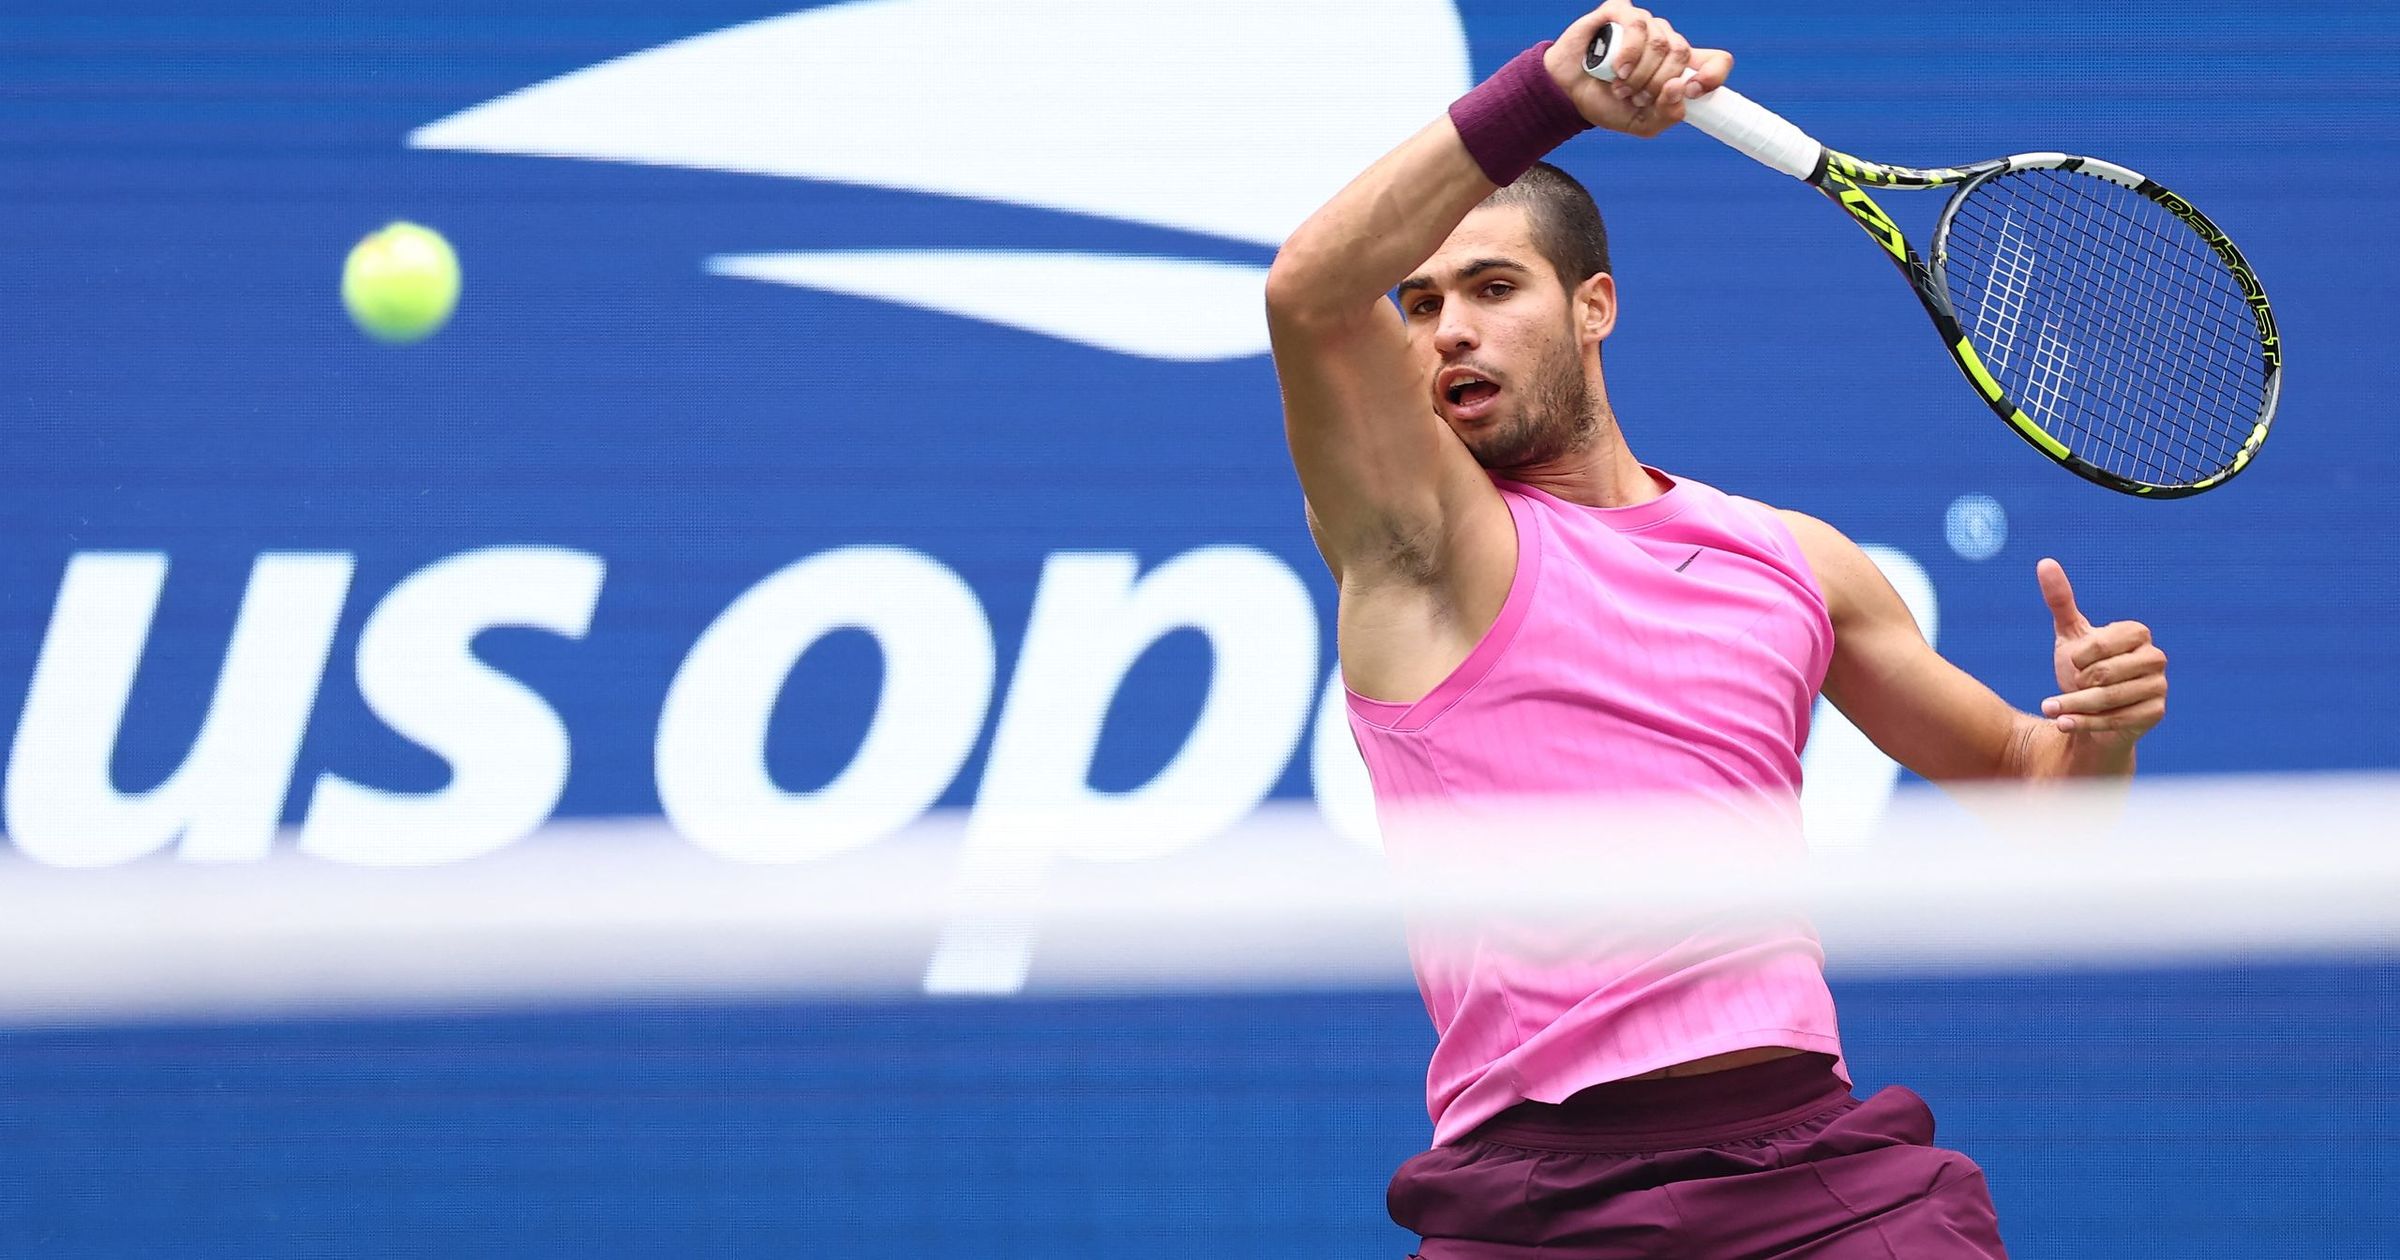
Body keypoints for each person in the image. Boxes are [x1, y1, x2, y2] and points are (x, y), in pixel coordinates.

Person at [1263, 5, 2169, 1256]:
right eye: (1418, 304)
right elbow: (1309, 295)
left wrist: (2098, 729)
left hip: (1811, 1165)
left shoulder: (1790, 561)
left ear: (1596, 307)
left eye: (1491, 287)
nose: (1448, 330)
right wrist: (1549, 89)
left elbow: (2034, 791)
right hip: (1543, 1195)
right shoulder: (1422, 547)